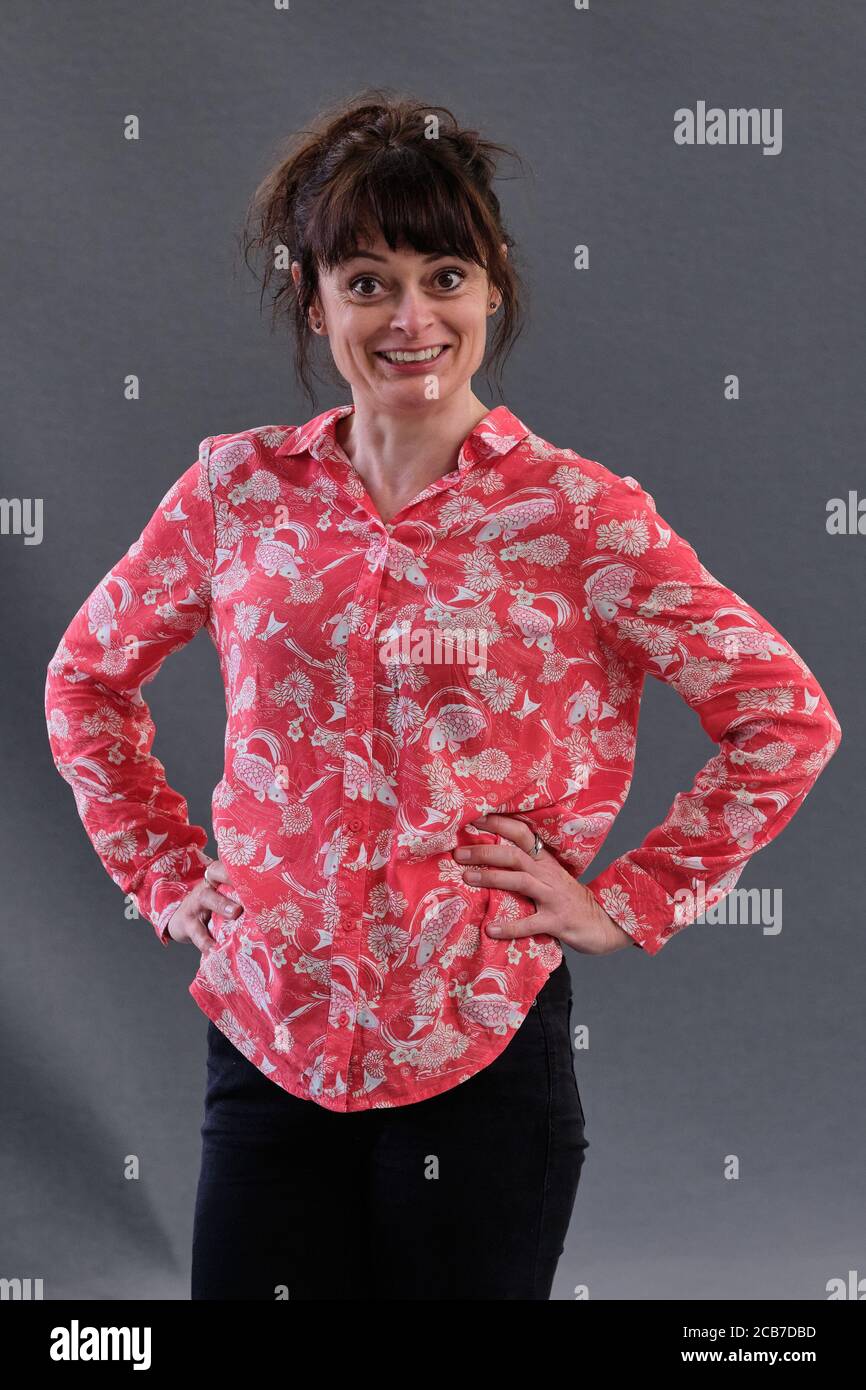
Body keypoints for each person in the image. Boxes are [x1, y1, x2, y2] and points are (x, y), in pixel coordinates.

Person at [44, 90, 841, 1301]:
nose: (410, 317)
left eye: (444, 275)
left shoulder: (575, 515)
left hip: (477, 1053)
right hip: (268, 1038)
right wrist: (163, 872)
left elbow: (781, 714)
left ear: (495, 285)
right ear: (312, 298)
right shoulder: (235, 492)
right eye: (366, 281)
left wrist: (630, 899)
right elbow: (86, 679)